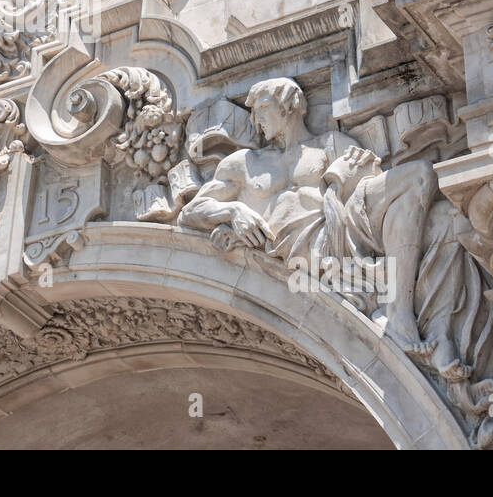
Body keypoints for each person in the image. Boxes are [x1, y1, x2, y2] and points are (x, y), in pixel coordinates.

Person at [182, 77, 434, 353]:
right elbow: (191, 211)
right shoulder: (245, 163)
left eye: (262, 108)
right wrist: (233, 209)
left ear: (290, 104)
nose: (256, 119)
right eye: (252, 112)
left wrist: (361, 169)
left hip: (339, 238)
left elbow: (370, 187)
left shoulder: (332, 144)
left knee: (419, 174)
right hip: (290, 251)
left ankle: (400, 313)